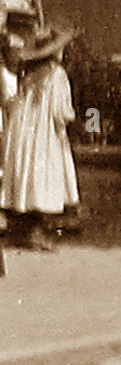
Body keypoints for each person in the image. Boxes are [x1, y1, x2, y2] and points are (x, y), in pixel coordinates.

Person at [0, 25, 79, 251]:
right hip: (44, 133)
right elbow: (60, 113)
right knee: (44, 177)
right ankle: (38, 233)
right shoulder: (56, 75)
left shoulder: (28, 75)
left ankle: (24, 230)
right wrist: (79, 119)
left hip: (22, 131)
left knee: (27, 175)